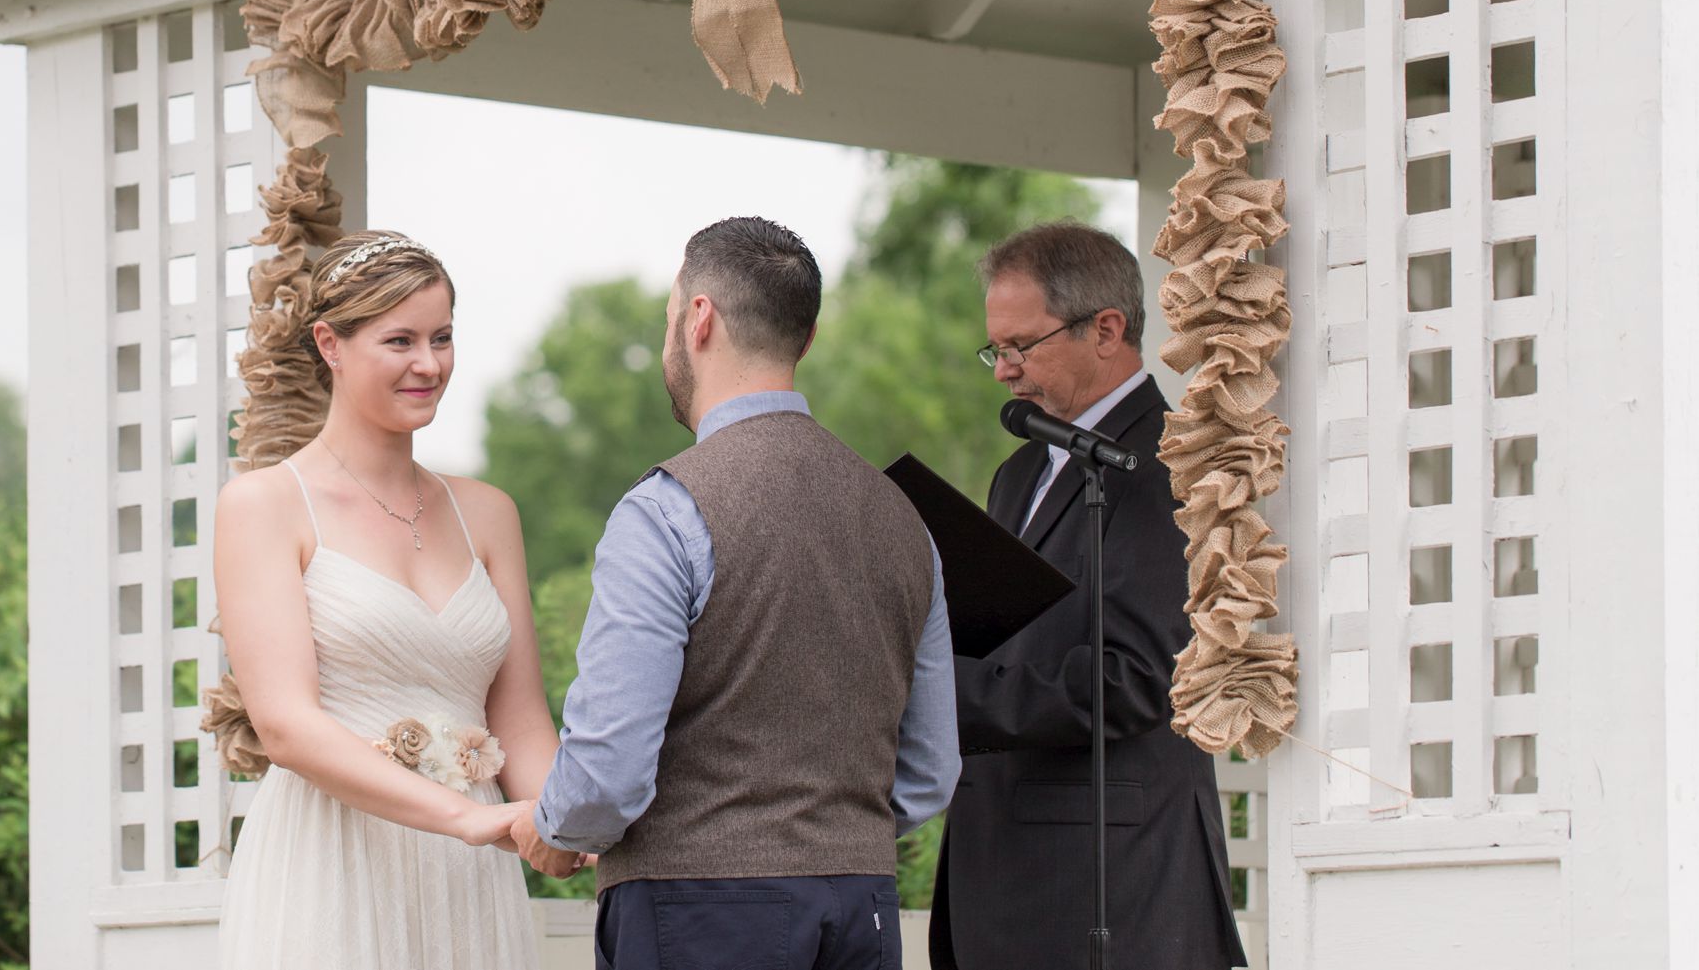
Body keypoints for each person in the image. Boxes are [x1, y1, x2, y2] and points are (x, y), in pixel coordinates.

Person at [511, 216, 960, 970]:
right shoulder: (903, 518)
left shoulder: (664, 508)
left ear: (699, 318)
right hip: (861, 910)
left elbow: (608, 771)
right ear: (806, 339)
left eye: (667, 319)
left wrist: (556, 828)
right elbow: (931, 768)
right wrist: (830, 833)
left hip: (698, 911)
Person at [212, 231, 565, 970]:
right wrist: (468, 817)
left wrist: (566, 821)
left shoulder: (489, 513)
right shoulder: (265, 505)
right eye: (399, 339)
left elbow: (522, 718)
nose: (429, 364)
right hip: (327, 864)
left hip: (469, 880)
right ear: (328, 343)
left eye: (442, 337)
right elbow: (286, 725)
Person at [931, 221, 1247, 970]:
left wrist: (949, 693)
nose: (1004, 370)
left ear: (1106, 328)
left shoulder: (1171, 462)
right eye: (995, 348)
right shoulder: (1019, 473)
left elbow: (1138, 676)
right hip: (1003, 875)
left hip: (1109, 885)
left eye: (1020, 346)